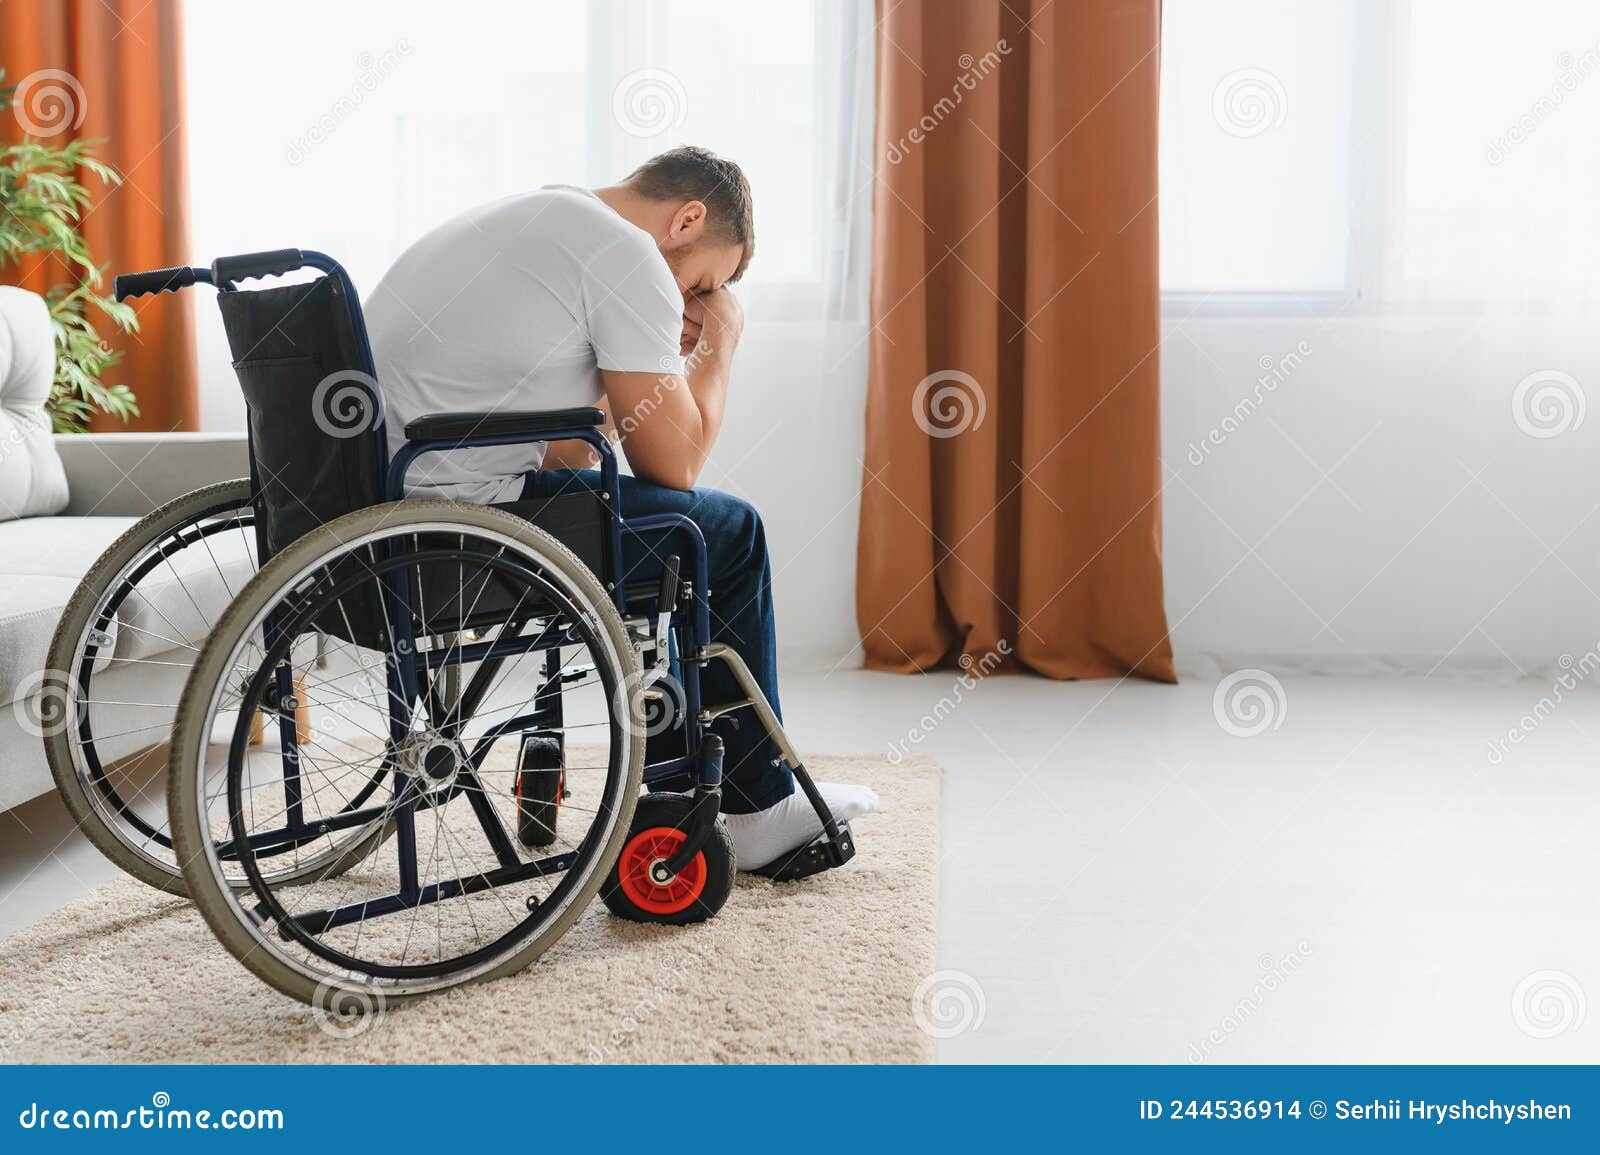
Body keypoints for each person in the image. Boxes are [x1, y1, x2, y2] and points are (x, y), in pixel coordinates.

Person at [364, 146, 876, 871]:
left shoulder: (543, 216)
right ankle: (755, 806)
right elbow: (675, 468)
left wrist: (641, 359)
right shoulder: (628, 253)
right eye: (701, 284)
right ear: (686, 220)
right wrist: (720, 343)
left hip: (380, 521)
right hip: (456, 536)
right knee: (722, 529)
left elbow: (571, 451)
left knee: (662, 524)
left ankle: (690, 773)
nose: (690, 302)